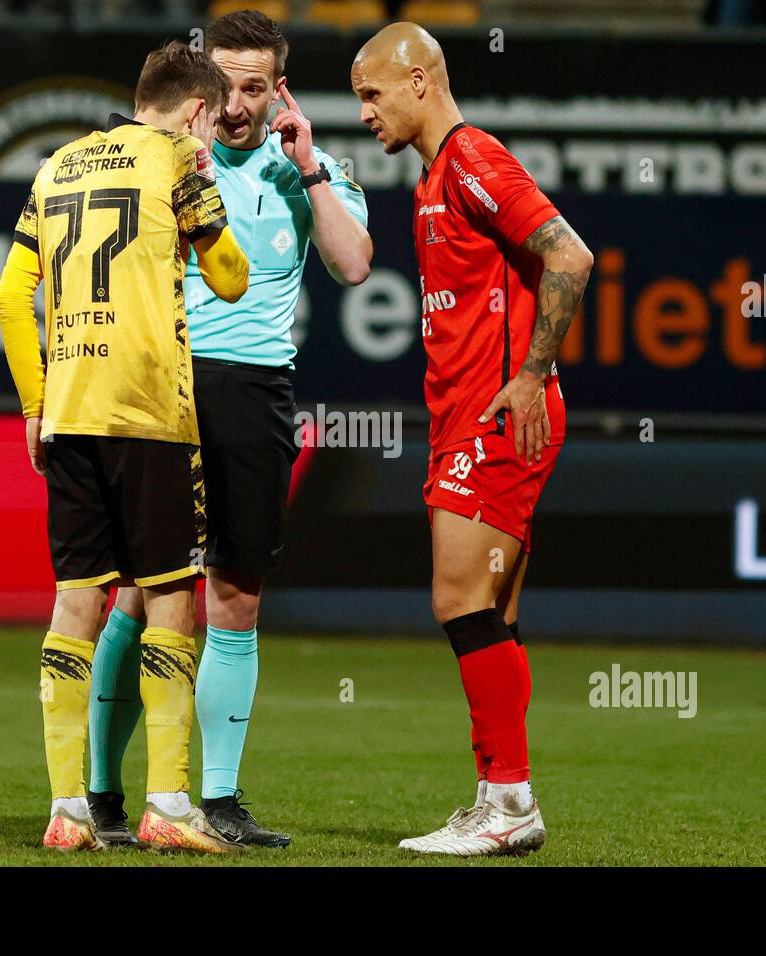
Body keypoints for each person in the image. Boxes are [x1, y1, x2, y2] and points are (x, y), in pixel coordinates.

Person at [86, 9, 372, 849]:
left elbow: (354, 265)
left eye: (256, 87)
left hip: (254, 394)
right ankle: (105, 794)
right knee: (140, 592)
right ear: (200, 81)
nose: (238, 104)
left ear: (279, 88)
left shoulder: (308, 171)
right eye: (225, 84)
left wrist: (310, 169)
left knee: (236, 597)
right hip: (158, 385)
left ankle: (217, 799)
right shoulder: (158, 160)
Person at [0, 41, 249, 854]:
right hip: (148, 414)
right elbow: (235, 279)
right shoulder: (178, 160)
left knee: (77, 602)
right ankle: (170, 805)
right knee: (172, 600)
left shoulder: (57, 163)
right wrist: (205, 203)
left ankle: (68, 811)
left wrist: (36, 404)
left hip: (68, 412)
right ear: (197, 110)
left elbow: (10, 297)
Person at [351, 22, 593, 856]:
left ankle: (511, 803)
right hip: (466, 419)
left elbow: (570, 255)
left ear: (420, 80)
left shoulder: (476, 161)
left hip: (496, 418)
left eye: (372, 93)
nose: (365, 114)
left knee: (457, 600)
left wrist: (529, 376)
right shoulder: (433, 179)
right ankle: (499, 795)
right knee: (494, 611)